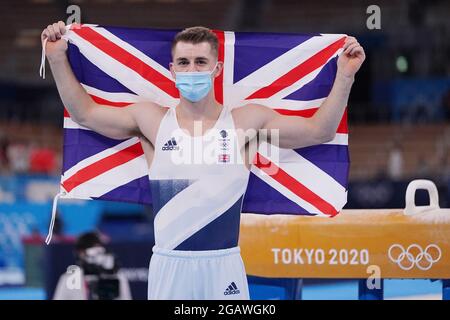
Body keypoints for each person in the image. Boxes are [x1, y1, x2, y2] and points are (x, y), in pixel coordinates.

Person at [42, 21, 365, 299]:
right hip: (170, 265)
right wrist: (57, 58)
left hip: (223, 264)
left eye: (200, 62)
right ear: (171, 69)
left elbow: (319, 132)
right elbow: (85, 114)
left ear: (217, 68)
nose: (191, 70)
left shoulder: (246, 122)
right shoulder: (151, 121)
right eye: (183, 62)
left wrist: (345, 77)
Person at [53, 231, 131, 300]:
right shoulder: (68, 278)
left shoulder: (117, 276)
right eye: (92, 250)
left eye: (99, 250)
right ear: (80, 253)